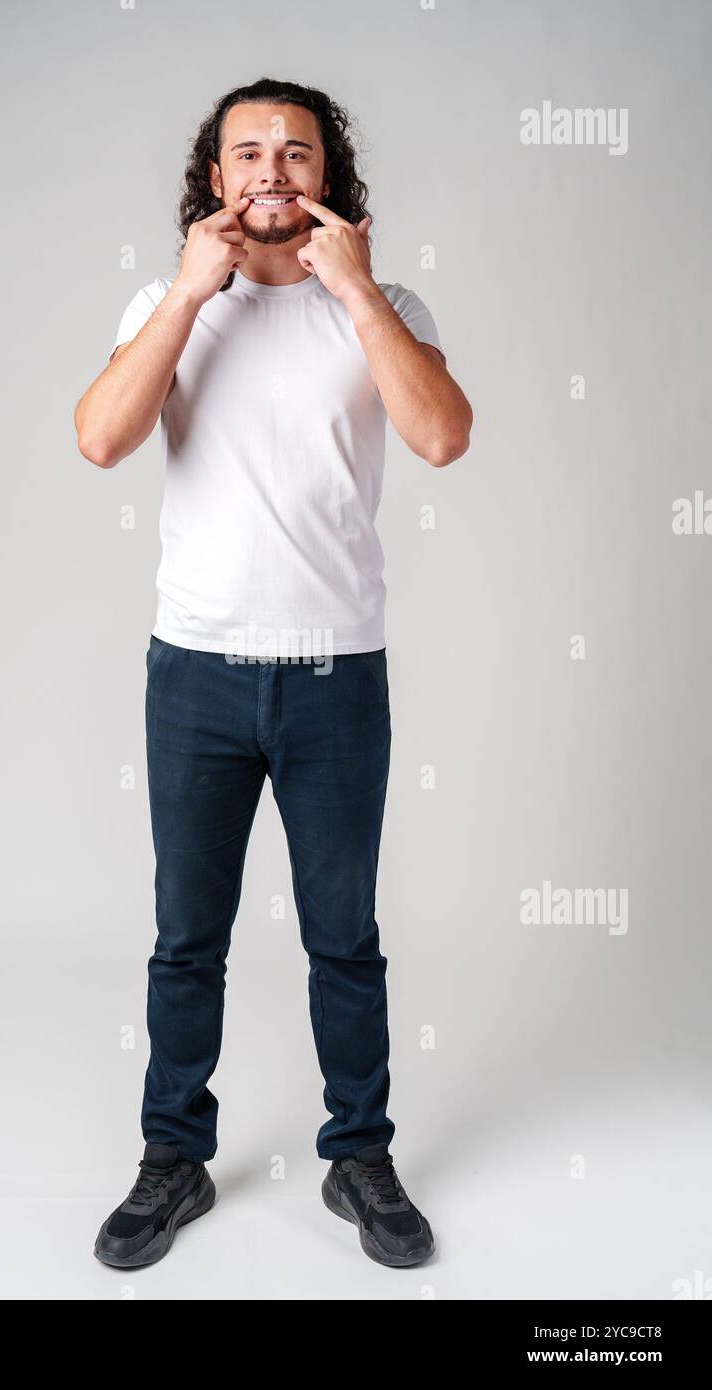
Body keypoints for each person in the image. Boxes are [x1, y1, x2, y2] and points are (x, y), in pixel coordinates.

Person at [74, 76, 472, 1270]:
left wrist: (350, 289)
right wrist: (192, 293)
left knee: (341, 933)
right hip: (195, 670)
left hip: (335, 675)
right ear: (214, 180)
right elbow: (99, 437)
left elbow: (443, 435)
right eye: (246, 151)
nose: (270, 170)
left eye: (295, 152)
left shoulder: (384, 303)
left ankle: (358, 1156)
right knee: (185, 933)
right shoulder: (168, 301)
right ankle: (170, 1159)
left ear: (327, 181)